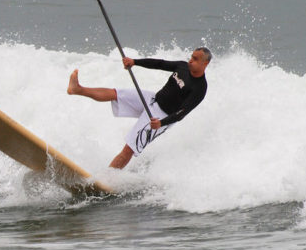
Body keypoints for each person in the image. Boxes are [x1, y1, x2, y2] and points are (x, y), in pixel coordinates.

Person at [67, 47, 211, 169]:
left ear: (205, 63)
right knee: (116, 94)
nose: (191, 60)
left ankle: (105, 178)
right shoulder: (182, 66)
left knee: (129, 148)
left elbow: (182, 113)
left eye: (196, 59)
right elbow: (159, 64)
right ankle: (78, 89)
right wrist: (135, 62)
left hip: (161, 117)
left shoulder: (200, 88)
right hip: (153, 99)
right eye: (191, 57)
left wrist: (161, 123)